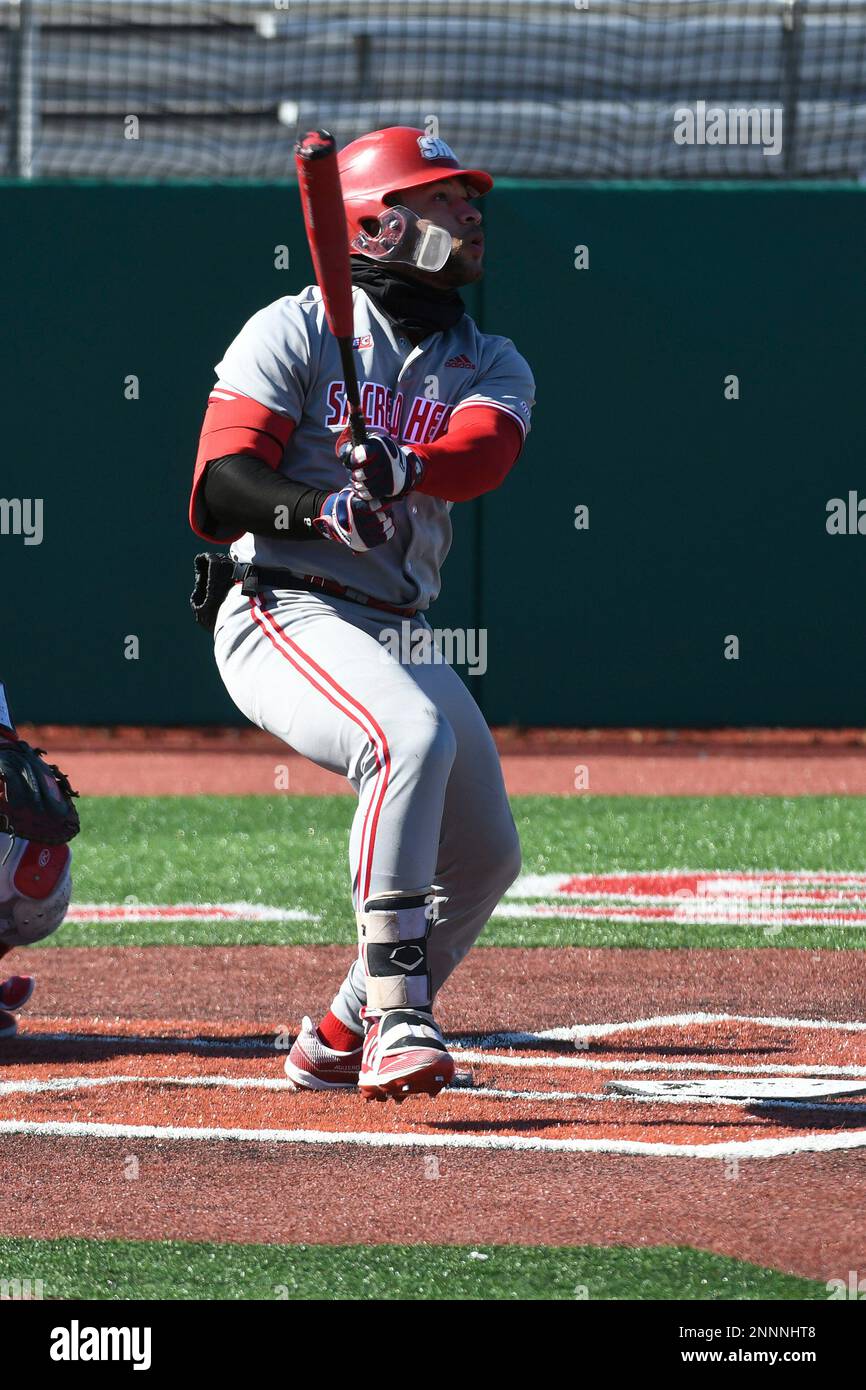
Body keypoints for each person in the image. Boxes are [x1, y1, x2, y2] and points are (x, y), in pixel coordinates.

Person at [188, 127, 535, 1101]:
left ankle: (337, 1030)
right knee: (408, 734)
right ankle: (397, 1012)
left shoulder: (489, 356)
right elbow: (218, 487)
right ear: (375, 225)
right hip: (280, 610)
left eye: (469, 199)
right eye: (441, 199)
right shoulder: (291, 327)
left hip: (390, 624)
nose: (469, 213)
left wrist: (406, 464)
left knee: (484, 858)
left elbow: (484, 453)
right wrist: (318, 505)